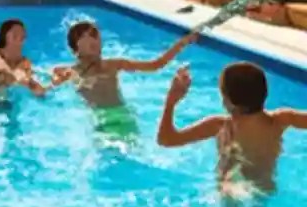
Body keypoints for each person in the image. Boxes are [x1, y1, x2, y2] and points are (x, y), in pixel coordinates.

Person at [157, 62, 307, 196]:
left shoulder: (219, 126)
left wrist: (171, 101)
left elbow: (166, 139)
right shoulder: (280, 120)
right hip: (265, 189)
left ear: (228, 101)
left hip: (229, 191)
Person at [50, 20, 199, 139]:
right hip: (101, 120)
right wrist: (56, 79)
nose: (92, 39)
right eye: (84, 36)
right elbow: (50, 86)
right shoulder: (69, 72)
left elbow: (156, 65)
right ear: (75, 47)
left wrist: (183, 42)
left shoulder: (114, 64)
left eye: (94, 35)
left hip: (123, 116)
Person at [0, 19, 46, 97]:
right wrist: (16, 76)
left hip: (13, 97)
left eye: (22, 32)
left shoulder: (25, 61)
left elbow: (33, 86)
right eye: (15, 32)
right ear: (5, 35)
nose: (20, 33)